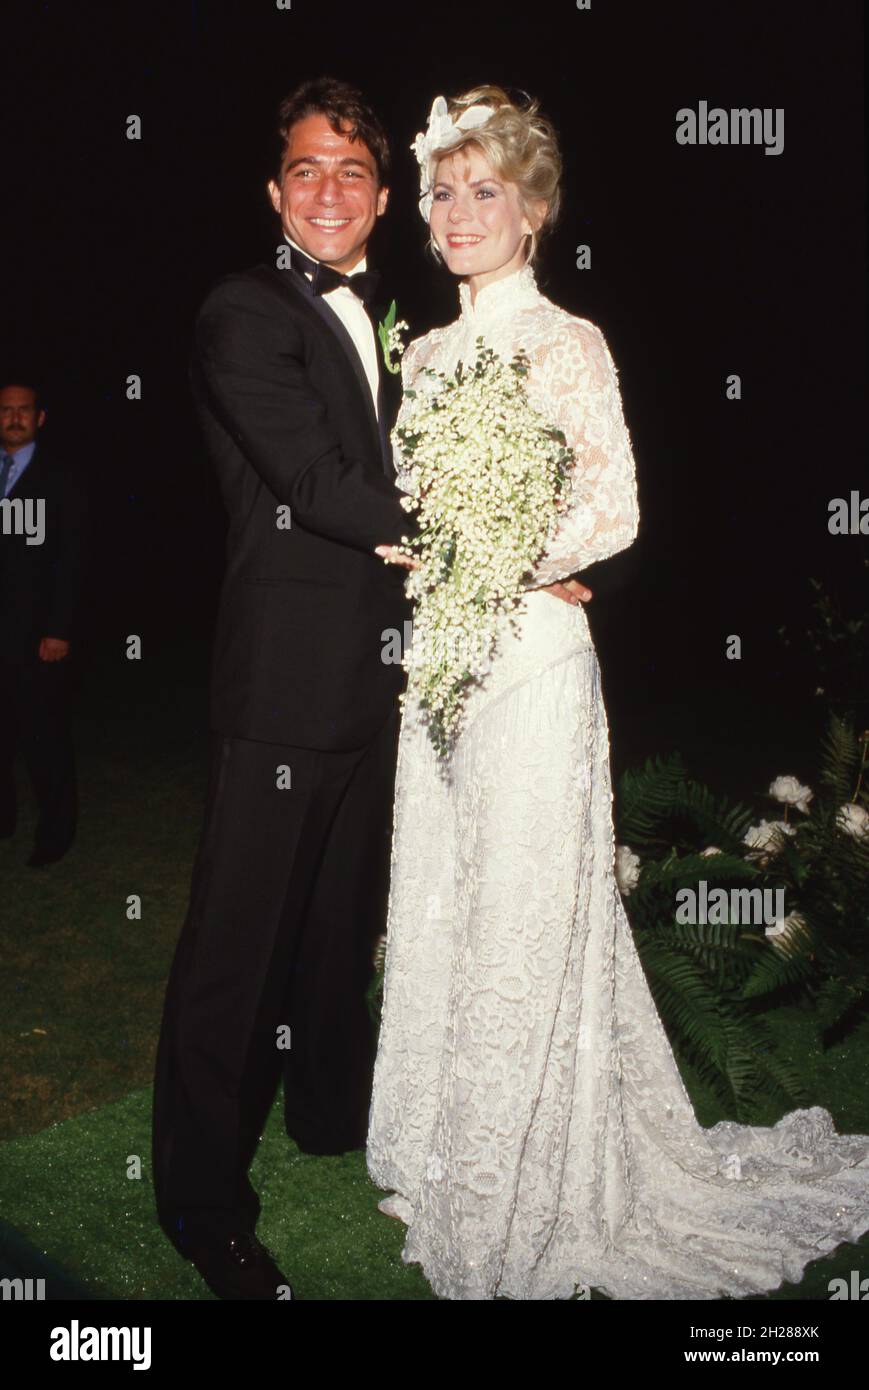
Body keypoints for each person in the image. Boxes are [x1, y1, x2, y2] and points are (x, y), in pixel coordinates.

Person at [366, 86, 869, 1300]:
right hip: (438, 673)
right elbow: (412, 508)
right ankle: (442, 1148)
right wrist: (425, 554)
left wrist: (506, 559)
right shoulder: (422, 354)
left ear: (533, 210)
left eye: (485, 189)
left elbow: (612, 508)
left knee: (530, 913)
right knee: (445, 899)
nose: (458, 210)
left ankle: (526, 1182)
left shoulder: (566, 341)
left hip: (533, 662)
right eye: (442, 190)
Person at [152, 77, 428, 1301]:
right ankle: (202, 1202)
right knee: (238, 950)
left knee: (333, 933)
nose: (328, 190)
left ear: (382, 198)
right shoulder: (240, 310)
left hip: (380, 682)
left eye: (352, 172)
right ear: (274, 192)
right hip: (281, 682)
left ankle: (327, 1115)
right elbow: (320, 488)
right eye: (306, 169)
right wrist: (504, 530)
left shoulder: (396, 317)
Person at [0, 378, 86, 867]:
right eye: (6, 410)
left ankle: (55, 835)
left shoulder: (60, 480)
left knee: (43, 738)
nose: (13, 417)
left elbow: (71, 560)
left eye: (23, 410)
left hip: (37, 639)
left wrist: (60, 628)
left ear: (40, 418)